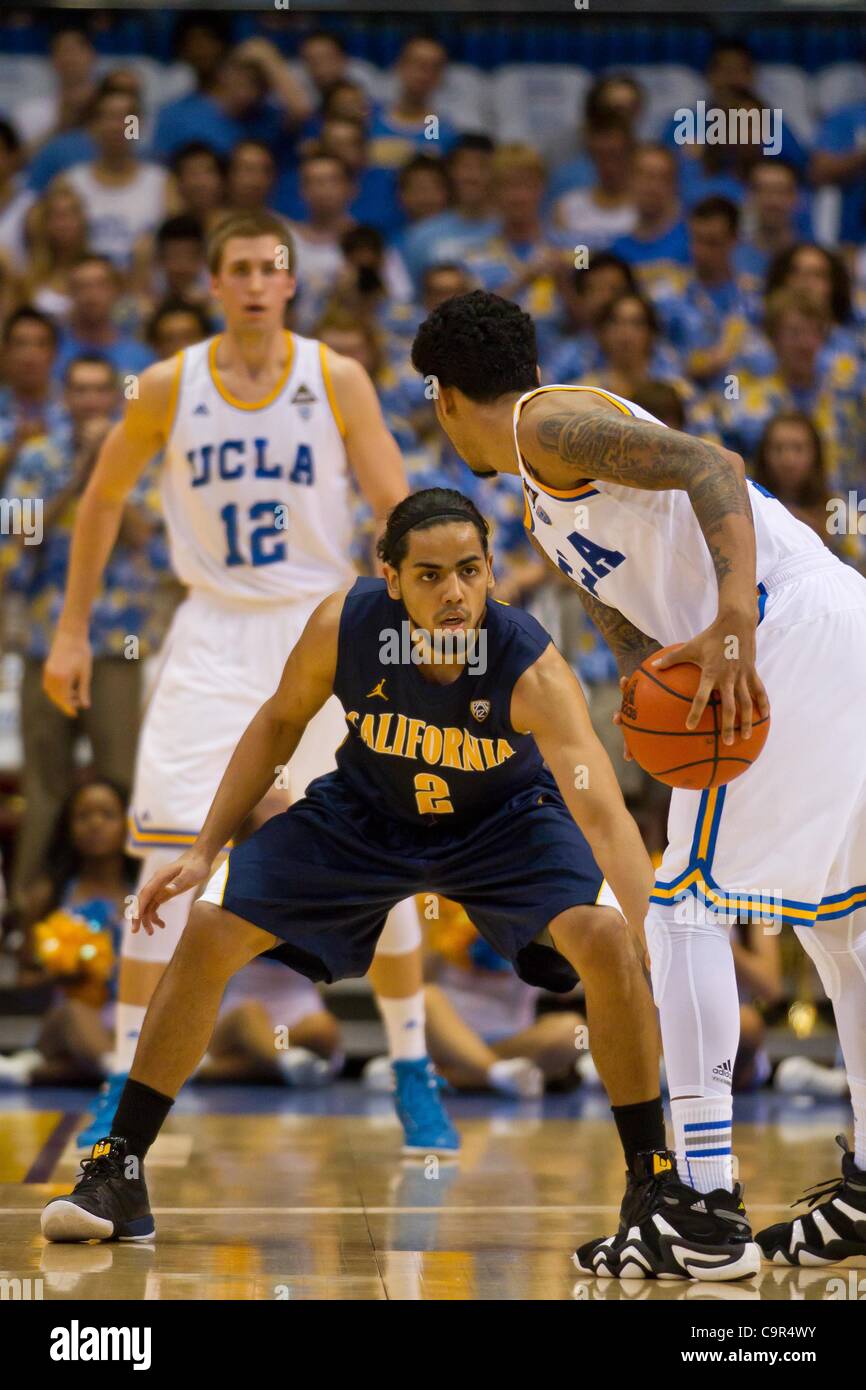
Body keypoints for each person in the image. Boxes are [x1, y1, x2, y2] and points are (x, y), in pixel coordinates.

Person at [41, 486, 662, 1244]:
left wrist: (653, 925)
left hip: (505, 823)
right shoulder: (344, 625)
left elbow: (598, 805)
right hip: (366, 815)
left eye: (470, 570)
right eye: (430, 575)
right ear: (390, 576)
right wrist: (205, 848)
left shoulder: (531, 668)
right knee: (206, 930)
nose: (455, 592)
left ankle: (652, 1182)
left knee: (605, 939)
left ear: (493, 573)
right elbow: (276, 723)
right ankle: (120, 1169)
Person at [410, 289, 866, 1278]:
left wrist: (734, 621)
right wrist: (636, 677)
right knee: (840, 925)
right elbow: (624, 608)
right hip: (828, 630)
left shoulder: (553, 426)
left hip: (779, 628)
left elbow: (716, 465)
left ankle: (700, 1209)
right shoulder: (535, 496)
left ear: (443, 398)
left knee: (681, 909)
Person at [41, 210, 448, 1155]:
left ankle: (412, 1065)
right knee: (166, 859)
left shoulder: (335, 377)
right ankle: (124, 1074)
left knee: (380, 856)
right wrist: (70, 631)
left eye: (273, 267)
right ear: (214, 284)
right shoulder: (169, 385)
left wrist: (427, 618)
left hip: (322, 627)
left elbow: (397, 507)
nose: (257, 282)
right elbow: (101, 499)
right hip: (214, 633)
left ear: (290, 283)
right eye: (240, 269)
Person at [1, 355, 160, 902]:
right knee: (42, 788)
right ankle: (27, 921)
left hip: (118, 644)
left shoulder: (143, 457)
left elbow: (150, 543)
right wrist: (79, 475)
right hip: (47, 643)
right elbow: (19, 541)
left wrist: (108, 472)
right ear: (65, 398)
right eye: (80, 391)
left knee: (119, 779)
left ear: (114, 400)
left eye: (100, 392)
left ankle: (130, 919)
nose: (91, 401)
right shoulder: (35, 459)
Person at [0, 777, 138, 1086]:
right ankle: (120, 1076)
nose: (95, 824)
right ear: (68, 827)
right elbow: (24, 977)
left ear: (128, 823)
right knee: (75, 1012)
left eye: (107, 815)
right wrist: (64, 971)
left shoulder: (144, 892)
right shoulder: (49, 894)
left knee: (80, 1059)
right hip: (67, 1018)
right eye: (84, 816)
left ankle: (30, 1069)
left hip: (125, 1019)